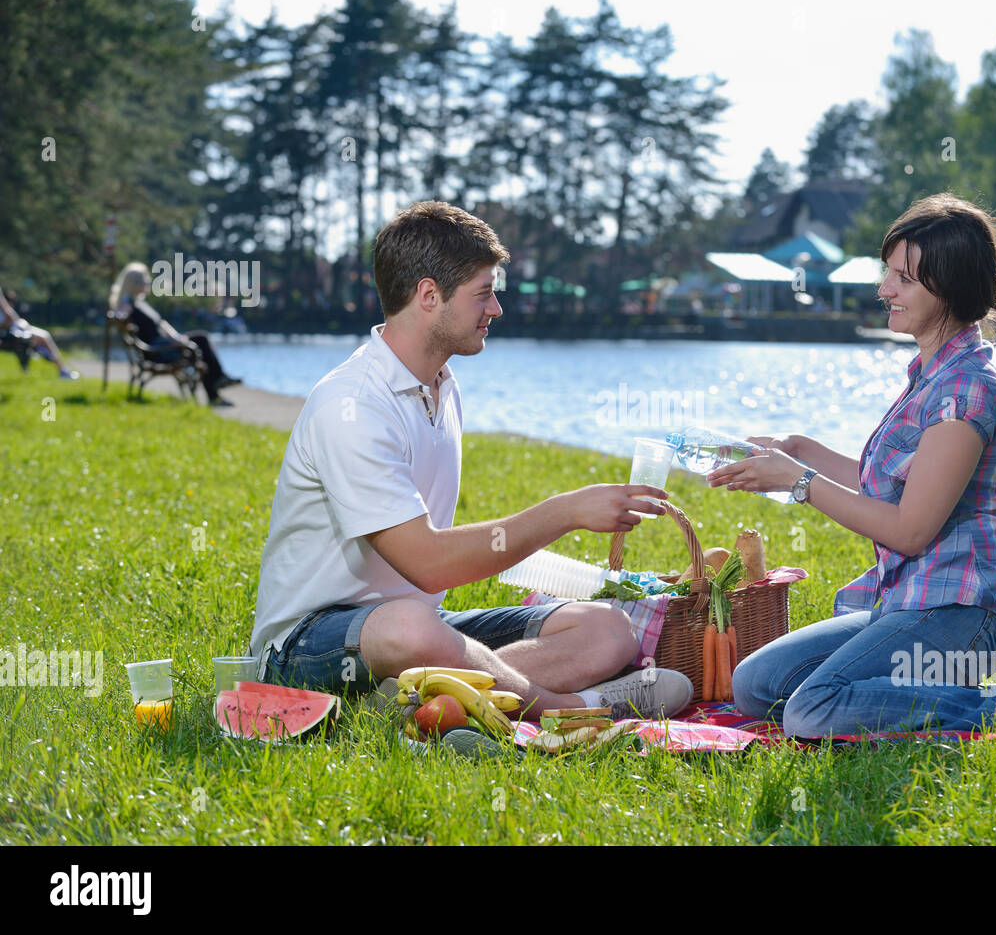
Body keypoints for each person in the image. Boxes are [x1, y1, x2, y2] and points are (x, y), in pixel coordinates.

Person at [247, 200, 694, 722]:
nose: (496, 309)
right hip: (310, 642)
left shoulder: (442, 386)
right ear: (429, 296)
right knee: (409, 629)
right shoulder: (353, 405)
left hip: (423, 623)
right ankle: (573, 709)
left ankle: (424, 698)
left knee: (608, 629)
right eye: (483, 293)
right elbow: (428, 561)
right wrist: (565, 512)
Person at [710, 193, 996, 738]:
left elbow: (910, 531)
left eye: (905, 279)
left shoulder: (967, 392)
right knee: (754, 685)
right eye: (888, 273)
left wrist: (797, 483)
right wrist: (799, 450)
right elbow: (888, 488)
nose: (885, 289)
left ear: (952, 288)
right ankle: (909, 694)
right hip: (906, 604)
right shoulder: (932, 376)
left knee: (810, 709)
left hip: (960, 618)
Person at [107, 263, 241, 407]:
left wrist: (177, 338)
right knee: (200, 343)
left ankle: (216, 387)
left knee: (200, 341)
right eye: (146, 282)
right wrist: (117, 315)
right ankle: (217, 386)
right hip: (159, 351)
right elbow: (121, 314)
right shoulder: (128, 302)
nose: (148, 284)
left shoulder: (139, 303)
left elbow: (162, 324)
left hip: (165, 345)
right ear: (136, 284)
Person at [1, 287, 79, 379]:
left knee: (44, 337)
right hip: (12, 333)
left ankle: (60, 367)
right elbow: (10, 317)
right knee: (43, 338)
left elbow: (11, 318)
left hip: (17, 330)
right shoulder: (4, 308)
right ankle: (62, 369)